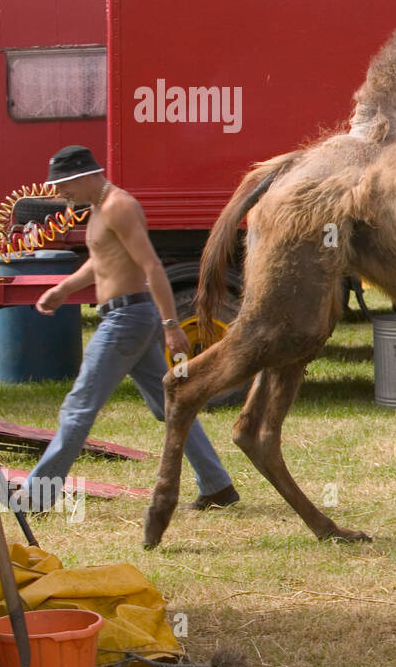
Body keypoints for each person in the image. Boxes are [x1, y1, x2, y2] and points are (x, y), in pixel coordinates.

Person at [15, 146, 239, 513]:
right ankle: (217, 486)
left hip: (126, 320)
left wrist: (170, 324)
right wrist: (63, 290)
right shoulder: (98, 210)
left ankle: (38, 495)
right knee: (172, 406)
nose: (60, 193)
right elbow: (101, 263)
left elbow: (151, 266)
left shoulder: (119, 206)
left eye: (63, 185)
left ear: (84, 175)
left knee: (78, 406)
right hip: (129, 317)